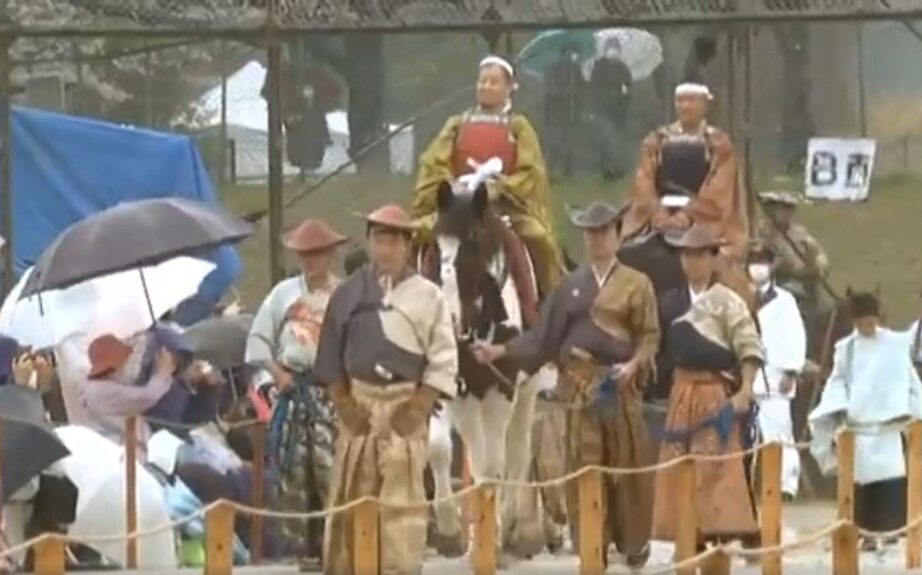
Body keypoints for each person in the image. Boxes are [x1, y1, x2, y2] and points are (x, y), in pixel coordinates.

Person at [474, 201, 659, 569]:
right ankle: (594, 546)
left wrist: (634, 364)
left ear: (618, 234)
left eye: (604, 231)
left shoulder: (638, 285)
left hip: (620, 387)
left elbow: (650, 336)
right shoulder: (569, 286)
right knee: (584, 469)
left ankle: (632, 540)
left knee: (625, 470)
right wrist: (500, 350)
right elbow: (544, 338)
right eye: (590, 232)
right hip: (578, 389)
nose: (596, 239)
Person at [314, 204, 458, 575]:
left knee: (401, 507)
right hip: (358, 409)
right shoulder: (346, 294)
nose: (386, 248)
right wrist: (343, 402)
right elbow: (329, 352)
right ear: (369, 242)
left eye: (394, 239)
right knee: (352, 500)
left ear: (408, 245)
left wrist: (420, 406)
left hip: (404, 410)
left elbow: (443, 356)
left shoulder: (429, 296)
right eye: (379, 239)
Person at [411, 55, 564, 297]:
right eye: (482, 81)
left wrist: (499, 188)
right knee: (412, 234)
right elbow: (434, 163)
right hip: (457, 205)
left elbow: (530, 171)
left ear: (509, 88)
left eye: (493, 82)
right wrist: (452, 186)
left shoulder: (518, 126)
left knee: (541, 239)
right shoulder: (457, 124)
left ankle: (551, 302)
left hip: (503, 207)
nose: (485, 87)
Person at [651, 225, 764, 546]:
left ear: (714, 258)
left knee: (717, 467)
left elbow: (749, 348)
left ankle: (719, 534)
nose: (692, 261)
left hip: (717, 393)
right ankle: (685, 533)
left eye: (700, 254)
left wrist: (744, 391)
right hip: (680, 393)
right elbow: (658, 350)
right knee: (678, 463)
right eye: (686, 254)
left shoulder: (729, 301)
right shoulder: (668, 302)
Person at [245, 218, 346, 571]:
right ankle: (300, 553)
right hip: (294, 388)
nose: (311, 261)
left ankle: (334, 546)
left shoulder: (343, 294)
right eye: (305, 254)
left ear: (331, 255)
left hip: (333, 394)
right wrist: (278, 374)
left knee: (331, 471)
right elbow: (258, 340)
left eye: (317, 253)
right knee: (293, 474)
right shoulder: (283, 294)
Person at [808, 291, 922, 550]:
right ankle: (864, 531)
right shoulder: (847, 349)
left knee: (891, 478)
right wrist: (836, 407)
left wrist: (916, 411)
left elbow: (909, 381)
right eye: (860, 323)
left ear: (877, 318)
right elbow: (838, 381)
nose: (866, 327)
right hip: (860, 426)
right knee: (861, 481)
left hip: (888, 426)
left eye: (869, 321)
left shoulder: (896, 344)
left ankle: (891, 530)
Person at [625, 82, 747, 260]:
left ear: (705, 104)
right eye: (680, 101)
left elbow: (720, 190)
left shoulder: (719, 145)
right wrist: (657, 212)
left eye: (691, 101)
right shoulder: (656, 141)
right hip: (657, 221)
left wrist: (687, 216)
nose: (685, 106)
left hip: (704, 223)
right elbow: (643, 179)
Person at [748, 241, 807, 500]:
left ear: (772, 266)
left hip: (776, 377)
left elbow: (796, 336)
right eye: (754, 261)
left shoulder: (785, 301)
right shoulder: (739, 296)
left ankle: (786, 485)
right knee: (746, 436)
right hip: (747, 377)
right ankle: (747, 484)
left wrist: (791, 370)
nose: (758, 267)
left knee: (780, 432)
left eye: (763, 261)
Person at [78, 333, 177, 447]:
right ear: (114, 365)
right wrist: (163, 370)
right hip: (132, 449)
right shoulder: (103, 391)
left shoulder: (97, 387)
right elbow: (147, 397)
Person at [755, 191, 829, 309]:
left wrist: (819, 265)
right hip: (779, 283)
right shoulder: (762, 233)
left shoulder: (799, 232)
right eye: (781, 208)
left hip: (805, 281)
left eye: (789, 209)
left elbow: (818, 252)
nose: (785, 213)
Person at [590, 38, 634, 181]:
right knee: (606, 138)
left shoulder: (623, 67)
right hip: (602, 108)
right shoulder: (599, 66)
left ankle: (617, 167)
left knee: (618, 138)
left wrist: (626, 91)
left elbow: (629, 85)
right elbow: (593, 86)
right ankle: (606, 168)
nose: (613, 51)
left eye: (616, 48)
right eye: (611, 48)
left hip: (619, 109)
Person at [544, 46, 585, 178]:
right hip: (556, 112)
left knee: (570, 141)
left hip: (571, 112)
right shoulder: (554, 70)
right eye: (569, 54)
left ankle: (568, 170)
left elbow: (582, 88)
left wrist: (576, 97)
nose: (572, 57)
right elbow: (549, 91)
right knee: (555, 141)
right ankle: (551, 170)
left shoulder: (576, 70)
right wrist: (564, 92)